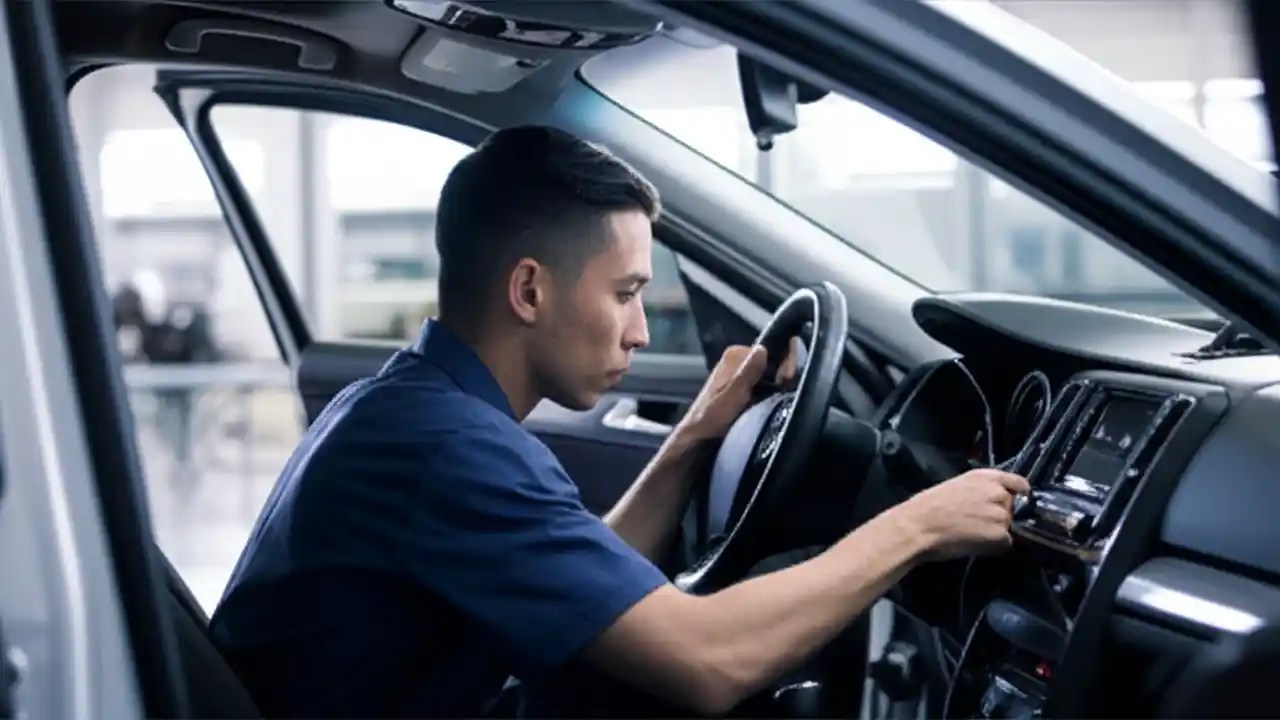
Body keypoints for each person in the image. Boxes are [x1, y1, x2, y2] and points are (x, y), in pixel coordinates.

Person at [207, 126, 1029, 718]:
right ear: (529, 291)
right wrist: (916, 526)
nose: (639, 331)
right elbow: (710, 660)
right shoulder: (448, 449)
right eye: (626, 293)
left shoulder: (411, 408)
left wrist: (697, 437)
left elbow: (584, 583)